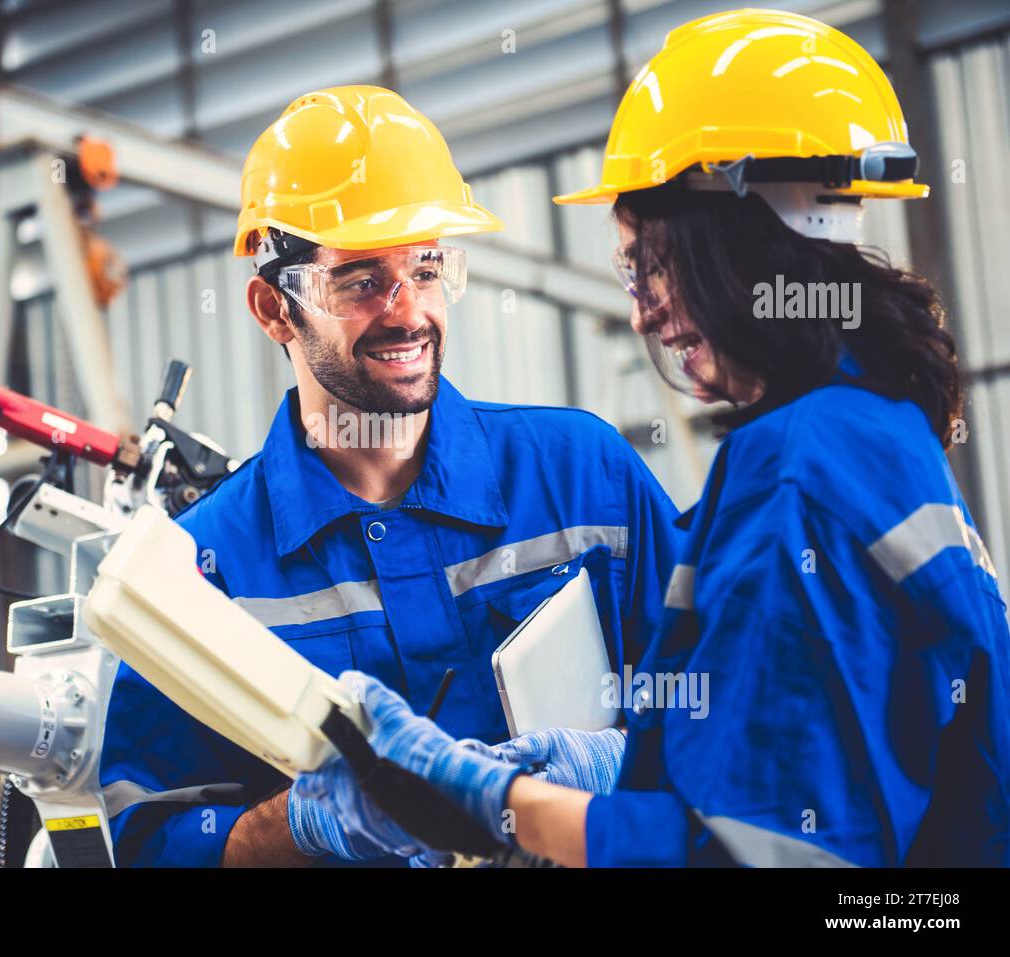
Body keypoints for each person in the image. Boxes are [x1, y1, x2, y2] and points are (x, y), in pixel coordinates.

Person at [295, 10, 1010, 867]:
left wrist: (499, 801)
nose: (639, 309)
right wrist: (619, 767)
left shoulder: (796, 478)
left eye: (646, 264)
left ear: (728, 240)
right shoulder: (875, 428)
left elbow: (754, 856)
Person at [99, 85, 681, 866]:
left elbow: (735, 709)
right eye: (363, 279)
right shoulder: (200, 573)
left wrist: (625, 758)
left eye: (427, 268)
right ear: (274, 309)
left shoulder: (585, 474)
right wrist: (301, 823)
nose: (409, 311)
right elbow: (148, 845)